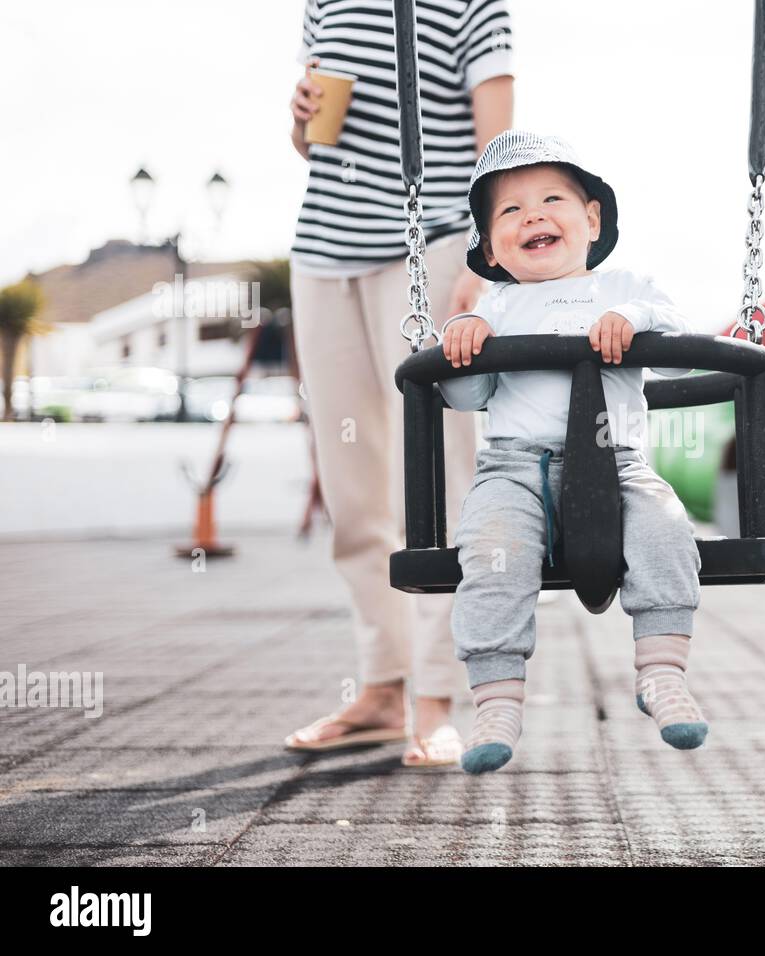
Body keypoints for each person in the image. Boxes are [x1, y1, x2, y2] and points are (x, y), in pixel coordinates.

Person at [282, 0, 514, 767]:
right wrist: (299, 120)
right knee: (352, 487)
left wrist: (485, 265)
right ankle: (381, 684)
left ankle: (439, 697)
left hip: (433, 241)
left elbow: (499, 145)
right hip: (323, 249)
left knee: (437, 477)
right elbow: (317, 144)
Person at [434, 131, 706, 774]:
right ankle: (496, 697)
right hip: (514, 468)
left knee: (666, 532)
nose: (532, 215)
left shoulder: (624, 285)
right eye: (509, 210)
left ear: (591, 219)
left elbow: (680, 346)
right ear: (492, 246)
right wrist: (461, 337)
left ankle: (662, 672)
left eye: (552, 198)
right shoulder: (494, 307)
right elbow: (465, 395)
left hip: (617, 463)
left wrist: (635, 321)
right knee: (491, 554)